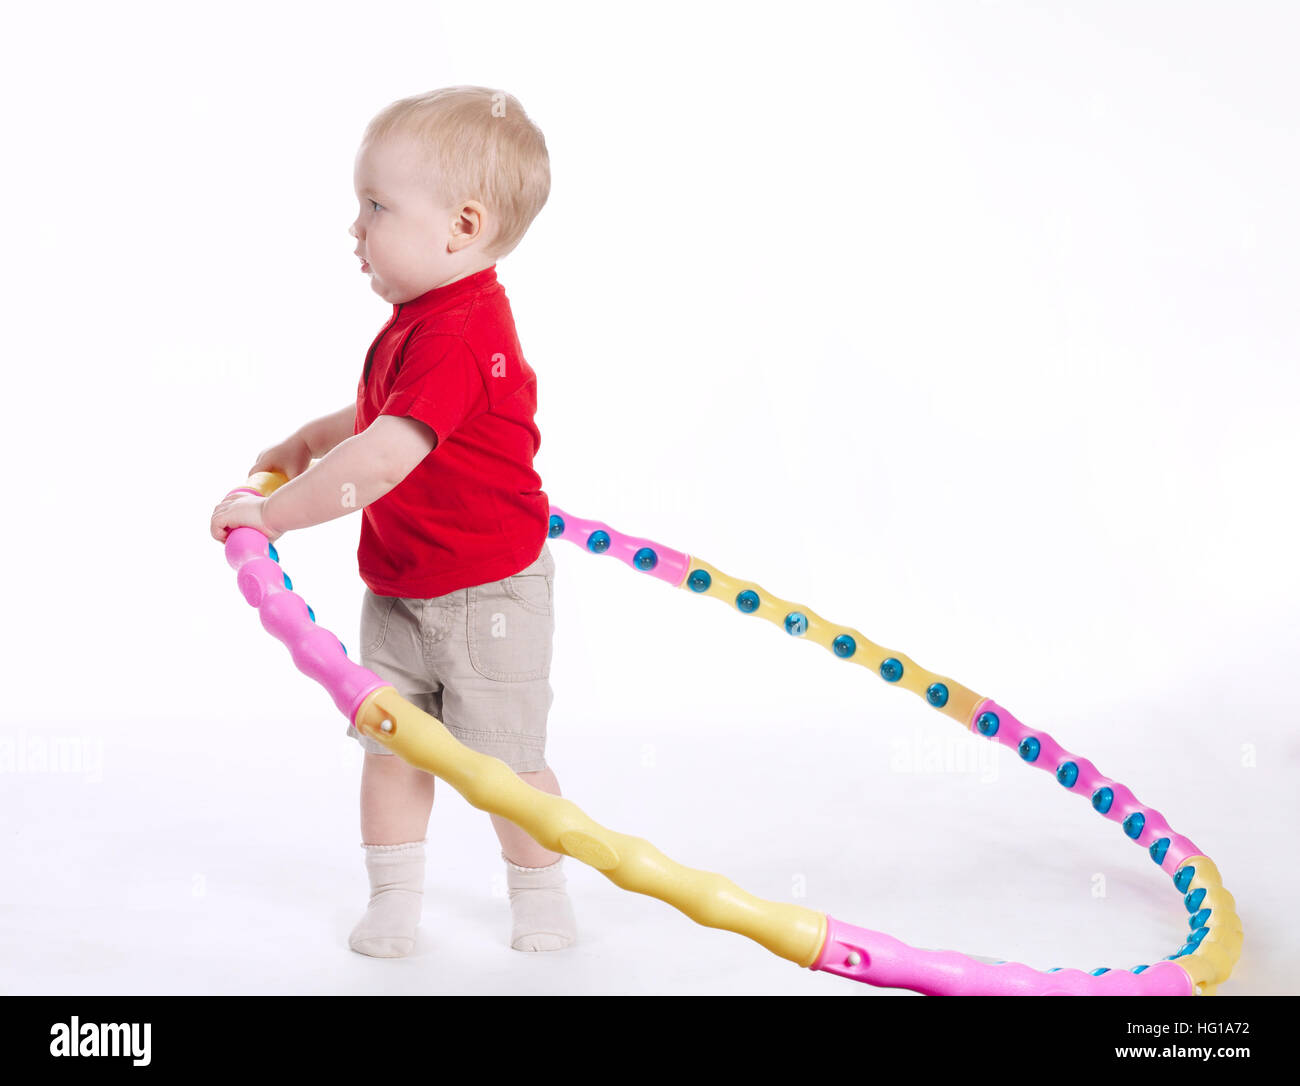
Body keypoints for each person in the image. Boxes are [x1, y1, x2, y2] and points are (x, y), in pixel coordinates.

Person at [210, 86, 576, 957]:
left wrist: (271, 514)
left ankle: (542, 895)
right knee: (391, 750)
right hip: (404, 587)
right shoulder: (426, 320)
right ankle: (394, 902)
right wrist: (311, 439)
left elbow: (380, 461)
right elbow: (389, 416)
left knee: (504, 763)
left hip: (487, 597)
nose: (355, 227)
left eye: (375, 206)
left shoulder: (458, 333)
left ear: (461, 226)